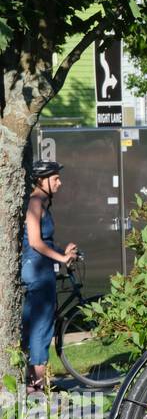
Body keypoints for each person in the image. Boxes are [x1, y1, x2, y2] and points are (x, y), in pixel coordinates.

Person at [20, 161, 78, 392]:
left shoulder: (42, 202)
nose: (59, 183)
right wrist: (61, 259)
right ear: (41, 180)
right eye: (55, 179)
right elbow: (35, 242)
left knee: (31, 325)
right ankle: (40, 383)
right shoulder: (35, 203)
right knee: (41, 327)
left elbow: (45, 242)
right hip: (37, 271)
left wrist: (62, 252)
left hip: (40, 268)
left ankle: (31, 380)